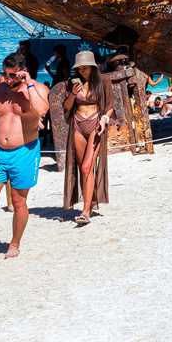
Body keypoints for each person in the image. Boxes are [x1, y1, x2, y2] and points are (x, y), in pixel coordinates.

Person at [0, 53, 48, 262]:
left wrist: (28, 82)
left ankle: (14, 243)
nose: (8, 79)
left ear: (23, 72)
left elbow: (41, 110)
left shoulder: (37, 90)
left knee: (18, 202)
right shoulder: (1, 89)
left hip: (24, 152)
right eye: (5, 74)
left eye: (13, 75)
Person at [62, 50, 108, 224]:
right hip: (77, 126)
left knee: (87, 166)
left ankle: (87, 210)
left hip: (96, 125)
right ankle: (87, 208)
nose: (82, 71)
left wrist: (104, 119)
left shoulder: (103, 81)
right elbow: (66, 108)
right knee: (84, 168)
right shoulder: (72, 83)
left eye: (85, 68)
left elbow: (109, 105)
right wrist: (73, 94)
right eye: (79, 68)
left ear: (92, 67)